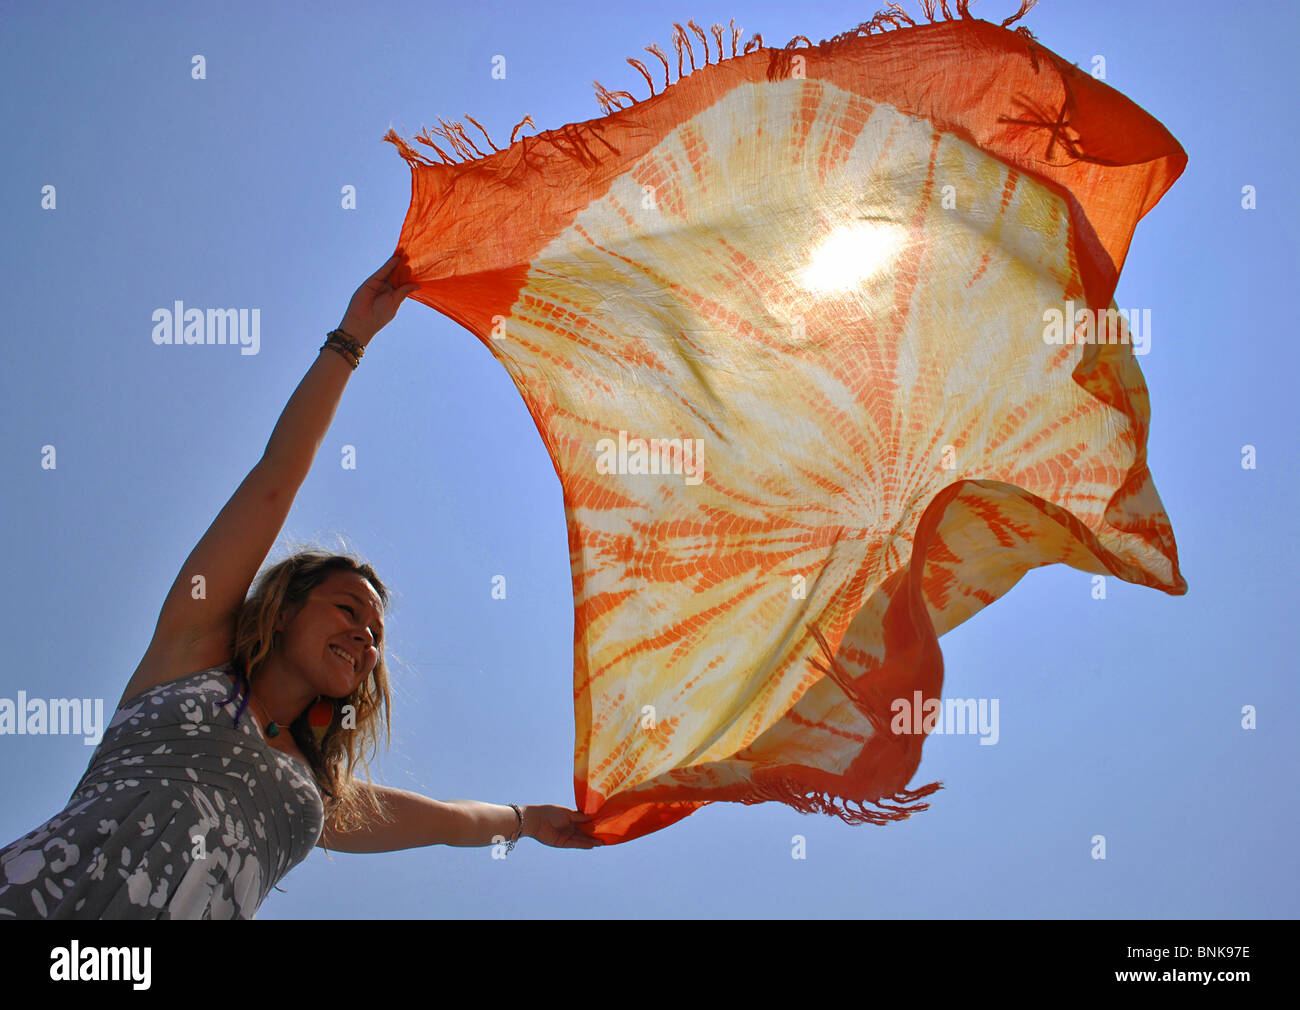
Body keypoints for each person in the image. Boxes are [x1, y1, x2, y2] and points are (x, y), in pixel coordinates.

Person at [0, 253, 601, 920]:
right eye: (348, 610)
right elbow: (276, 478)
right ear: (283, 610)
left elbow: (447, 821)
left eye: (374, 636)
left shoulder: (317, 794)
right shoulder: (189, 654)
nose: (365, 640)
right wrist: (351, 339)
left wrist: (522, 819)